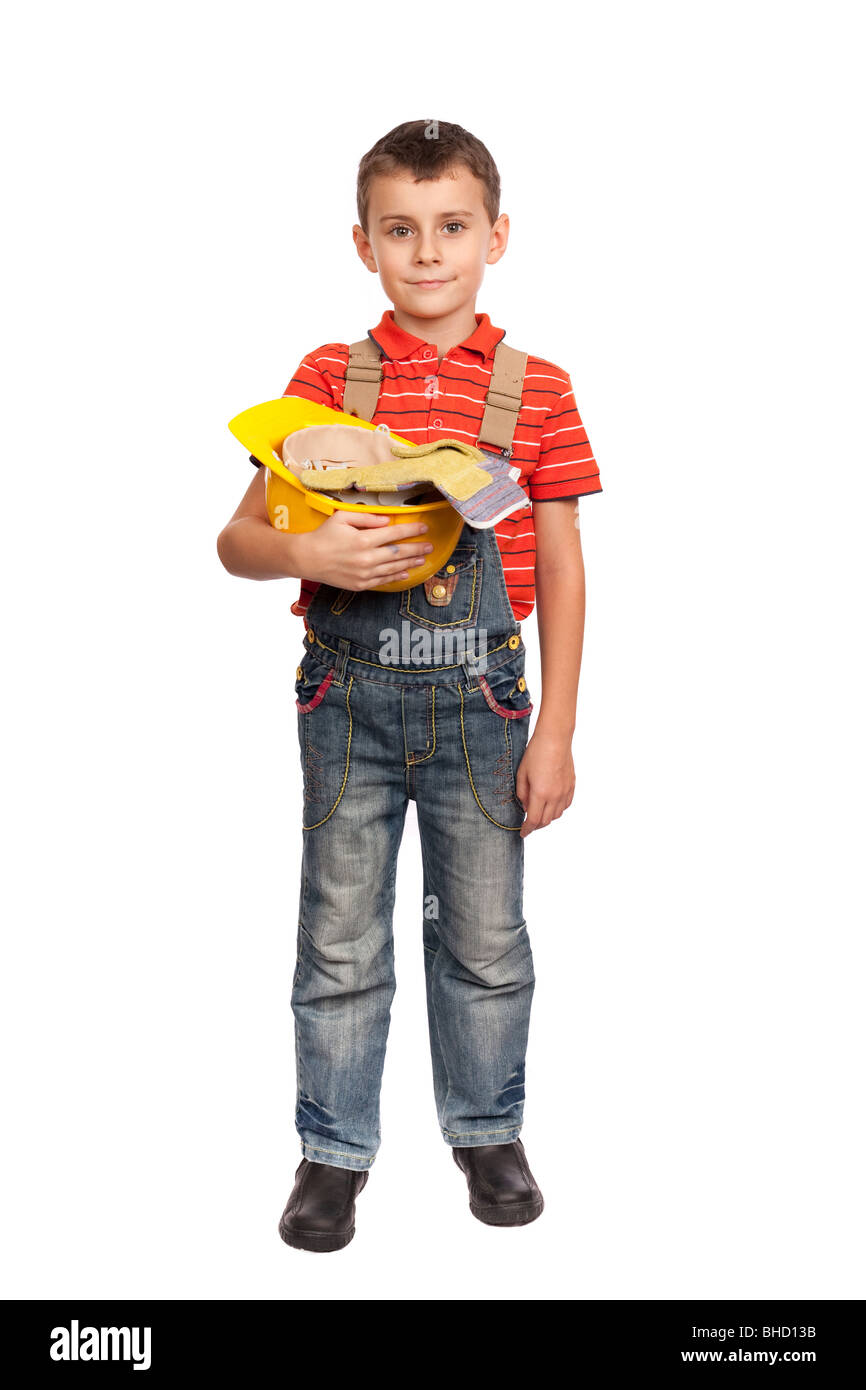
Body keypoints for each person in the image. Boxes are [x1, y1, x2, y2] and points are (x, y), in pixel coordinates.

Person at [217, 119, 602, 1253]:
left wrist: (558, 730)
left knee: (483, 934)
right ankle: (331, 1152)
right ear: (362, 242)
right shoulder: (327, 379)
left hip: (486, 704)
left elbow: (565, 561)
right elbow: (237, 539)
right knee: (340, 935)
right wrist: (307, 554)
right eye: (399, 230)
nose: (426, 252)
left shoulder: (537, 390)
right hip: (346, 703)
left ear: (495, 236)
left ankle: (486, 1130)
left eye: (449, 228)